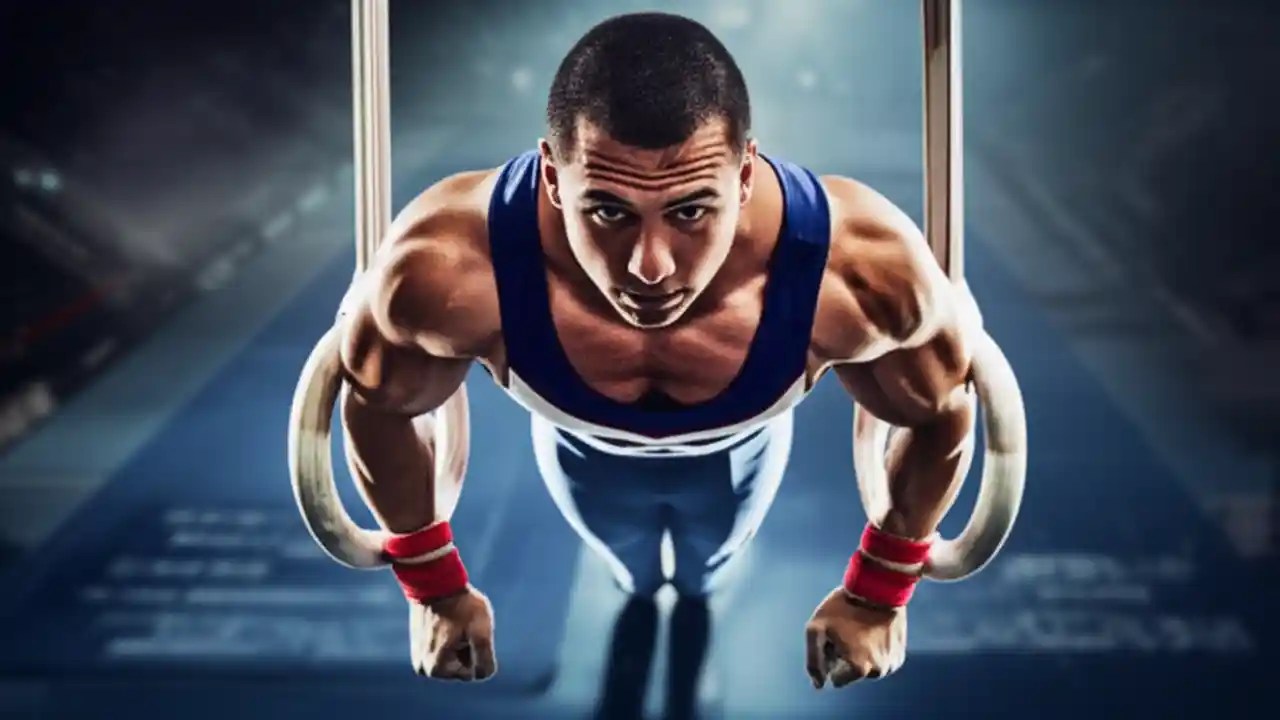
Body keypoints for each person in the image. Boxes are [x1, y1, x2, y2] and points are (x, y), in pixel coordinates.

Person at [337, 12, 985, 692]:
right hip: (581, 451)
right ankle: (648, 595)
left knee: (705, 570)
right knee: (634, 572)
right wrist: (433, 585)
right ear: (553, 177)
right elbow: (378, 405)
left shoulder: (856, 270)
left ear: (744, 176)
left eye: (690, 211)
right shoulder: (451, 268)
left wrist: (879, 592)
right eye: (609, 212)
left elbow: (941, 410)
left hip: (741, 453)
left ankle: (689, 597)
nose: (650, 268)